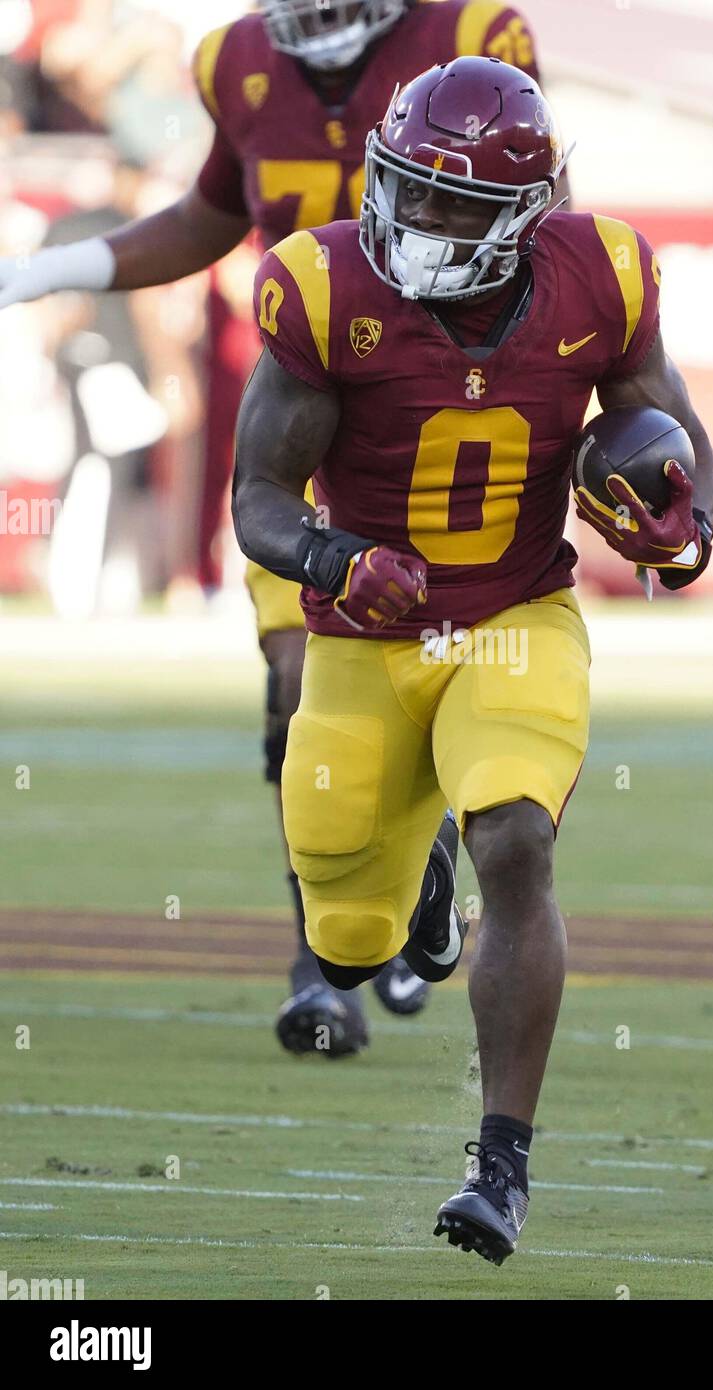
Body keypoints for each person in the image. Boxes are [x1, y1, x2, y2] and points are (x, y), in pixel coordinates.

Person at [232, 55, 713, 1264]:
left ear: (521, 215)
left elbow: (674, 434)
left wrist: (688, 526)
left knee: (518, 833)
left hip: (513, 617)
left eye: (456, 203)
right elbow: (256, 494)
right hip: (363, 634)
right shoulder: (319, 286)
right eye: (409, 188)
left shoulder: (598, 276)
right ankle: (414, 892)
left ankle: (499, 1161)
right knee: (349, 937)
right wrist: (338, 558)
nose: (423, 219)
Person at [0, 0, 549, 1057]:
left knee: (450, 670)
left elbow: (536, 216)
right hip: (308, 413)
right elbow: (209, 215)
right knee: (299, 682)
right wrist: (59, 267)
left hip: (439, 400)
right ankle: (323, 964)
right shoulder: (237, 57)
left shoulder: (476, 31)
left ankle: (418, 861)